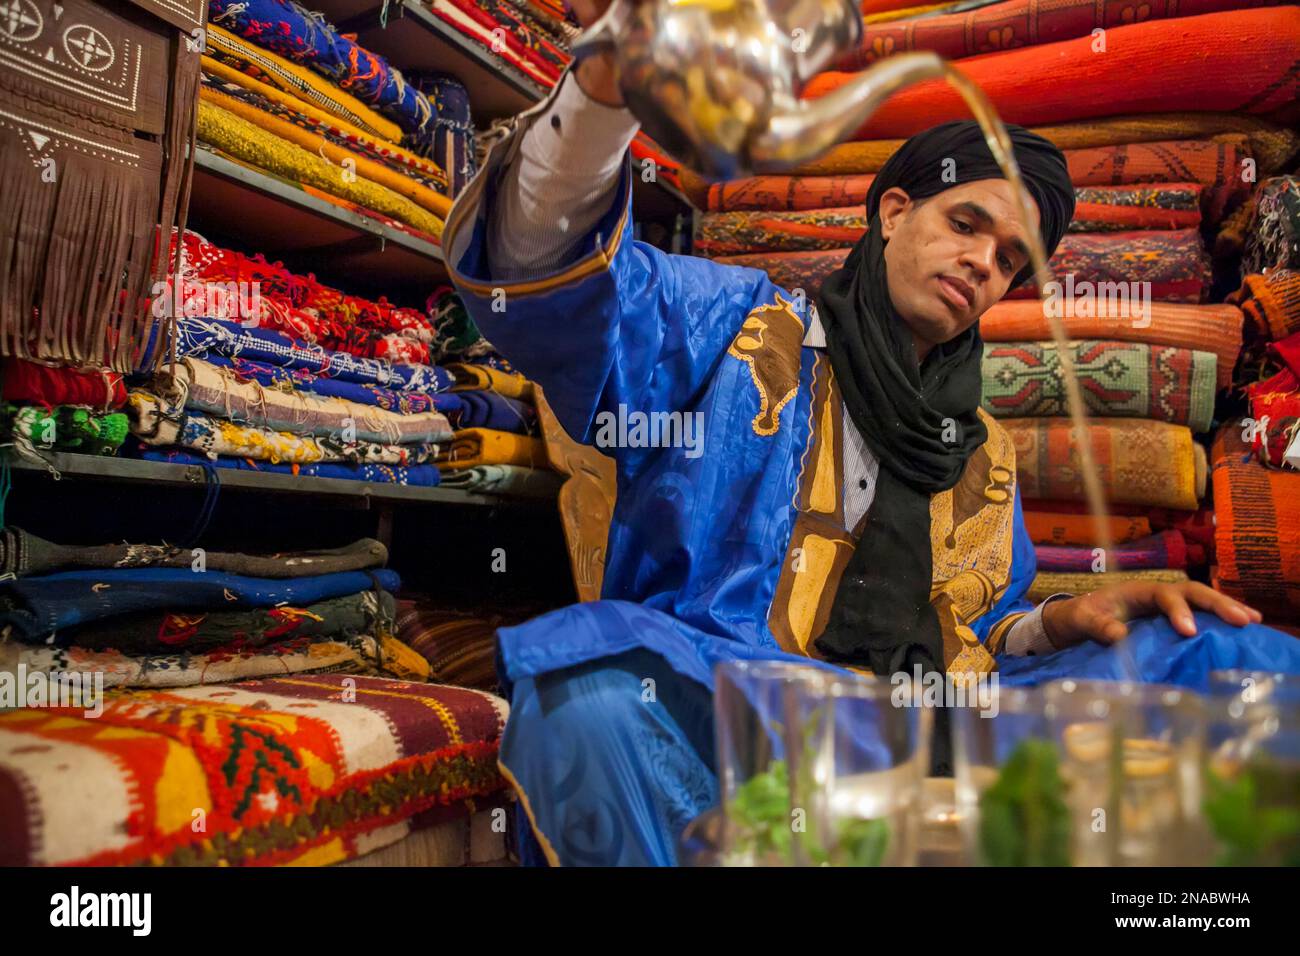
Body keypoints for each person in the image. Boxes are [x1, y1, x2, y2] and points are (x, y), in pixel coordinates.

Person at [443, 1, 1300, 866]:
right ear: (894, 212)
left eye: (1008, 258)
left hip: (942, 727)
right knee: (591, 705)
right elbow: (545, 279)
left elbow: (981, 631)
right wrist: (604, 93)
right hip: (737, 710)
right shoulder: (738, 332)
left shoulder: (983, 452)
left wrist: (1065, 621)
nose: (982, 263)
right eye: (966, 224)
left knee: (1228, 658)